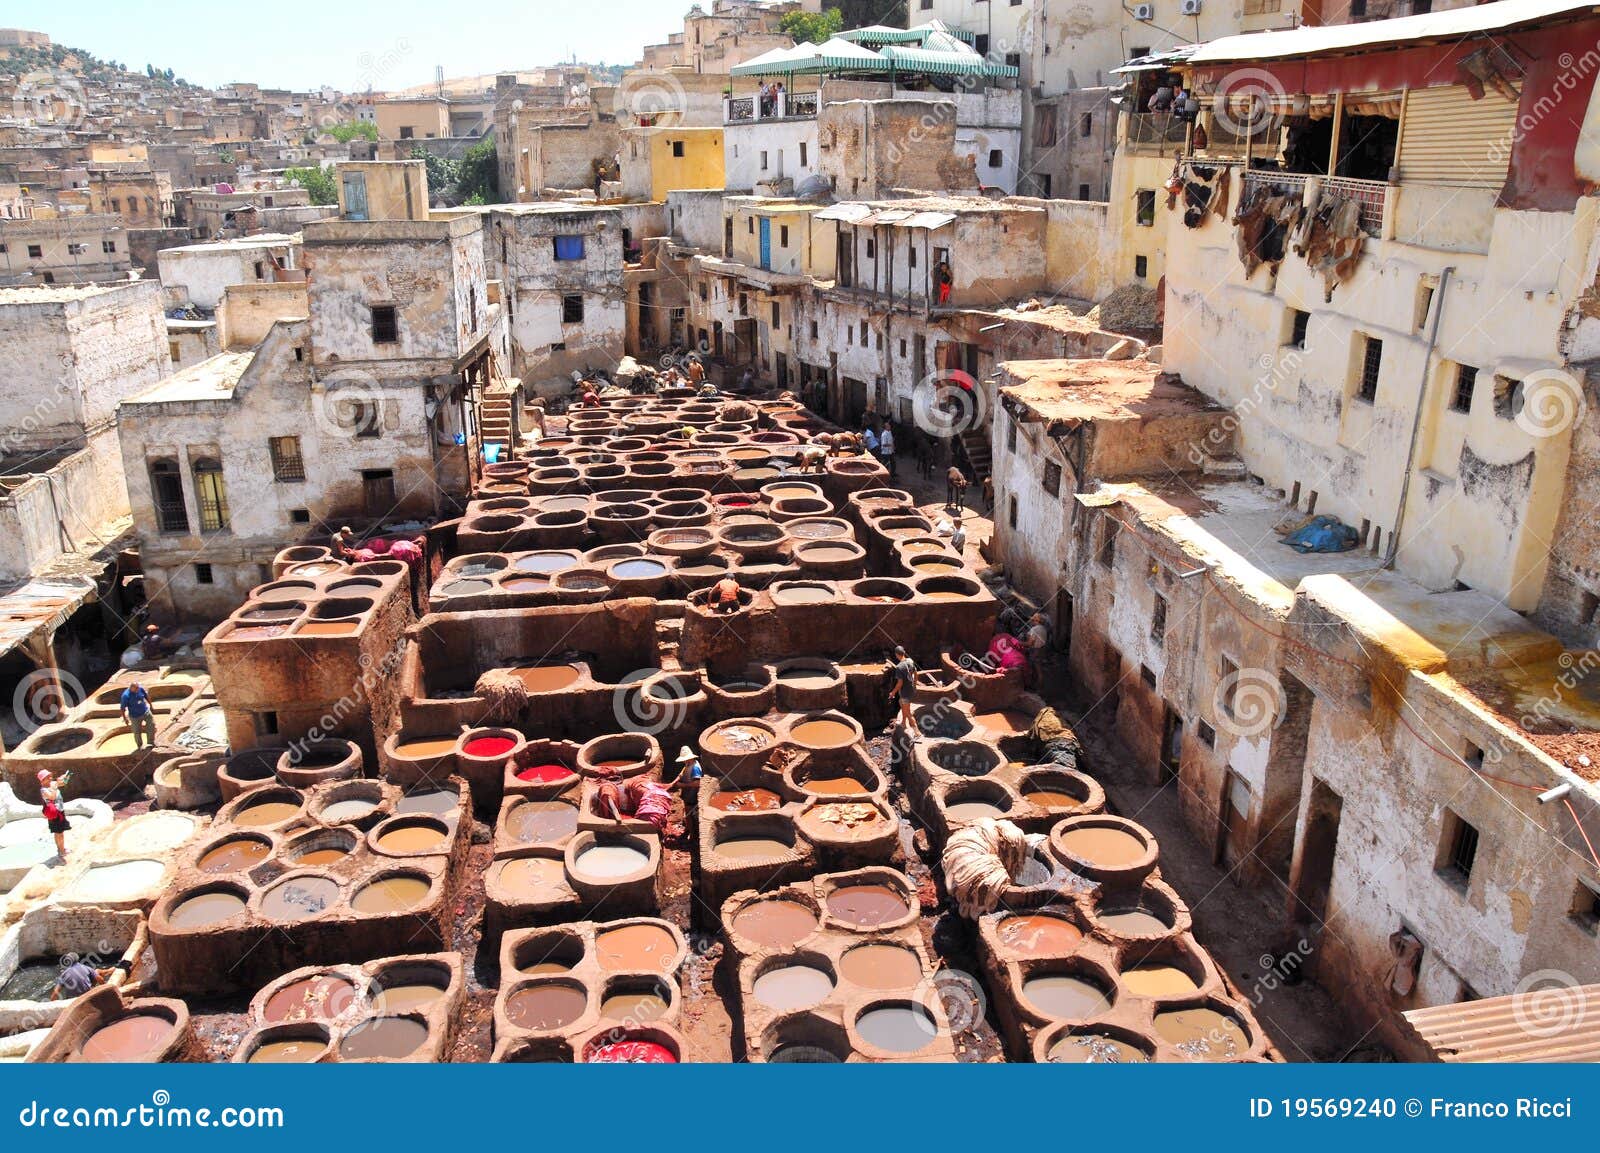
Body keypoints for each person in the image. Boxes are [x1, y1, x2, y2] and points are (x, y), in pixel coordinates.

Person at [37, 769, 72, 862]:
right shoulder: (43, 790)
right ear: (43, 780)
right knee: (58, 833)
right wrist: (55, 786)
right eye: (48, 777)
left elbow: (63, 783)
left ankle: (62, 849)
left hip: (60, 811)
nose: (50, 778)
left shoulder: (52, 784)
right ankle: (60, 851)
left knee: (61, 832)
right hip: (54, 813)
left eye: (50, 776)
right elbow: (52, 797)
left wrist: (66, 777)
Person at [51, 955, 118, 1001]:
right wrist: (105, 989)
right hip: (86, 995)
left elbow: (55, 992)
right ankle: (110, 970)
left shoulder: (64, 974)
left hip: (71, 999)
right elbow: (100, 979)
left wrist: (52, 1002)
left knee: (96, 972)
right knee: (97, 971)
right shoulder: (85, 967)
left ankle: (109, 970)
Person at [887, 646, 918, 739]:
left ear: (897, 655)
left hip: (905, 692)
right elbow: (916, 673)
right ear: (904, 652)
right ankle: (903, 723)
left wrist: (892, 693)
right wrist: (915, 685)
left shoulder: (899, 667)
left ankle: (917, 731)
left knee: (908, 712)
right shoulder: (910, 661)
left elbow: (900, 683)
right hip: (911, 690)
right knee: (901, 703)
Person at [120, 682, 156, 750]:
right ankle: (140, 745)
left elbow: (146, 696)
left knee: (152, 725)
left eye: (138, 688)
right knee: (137, 731)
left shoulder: (140, 689)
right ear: (131, 688)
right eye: (136, 689)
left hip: (145, 711)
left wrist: (151, 705)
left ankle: (151, 742)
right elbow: (122, 708)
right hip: (135, 716)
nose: (137, 689)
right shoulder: (126, 696)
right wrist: (125, 718)